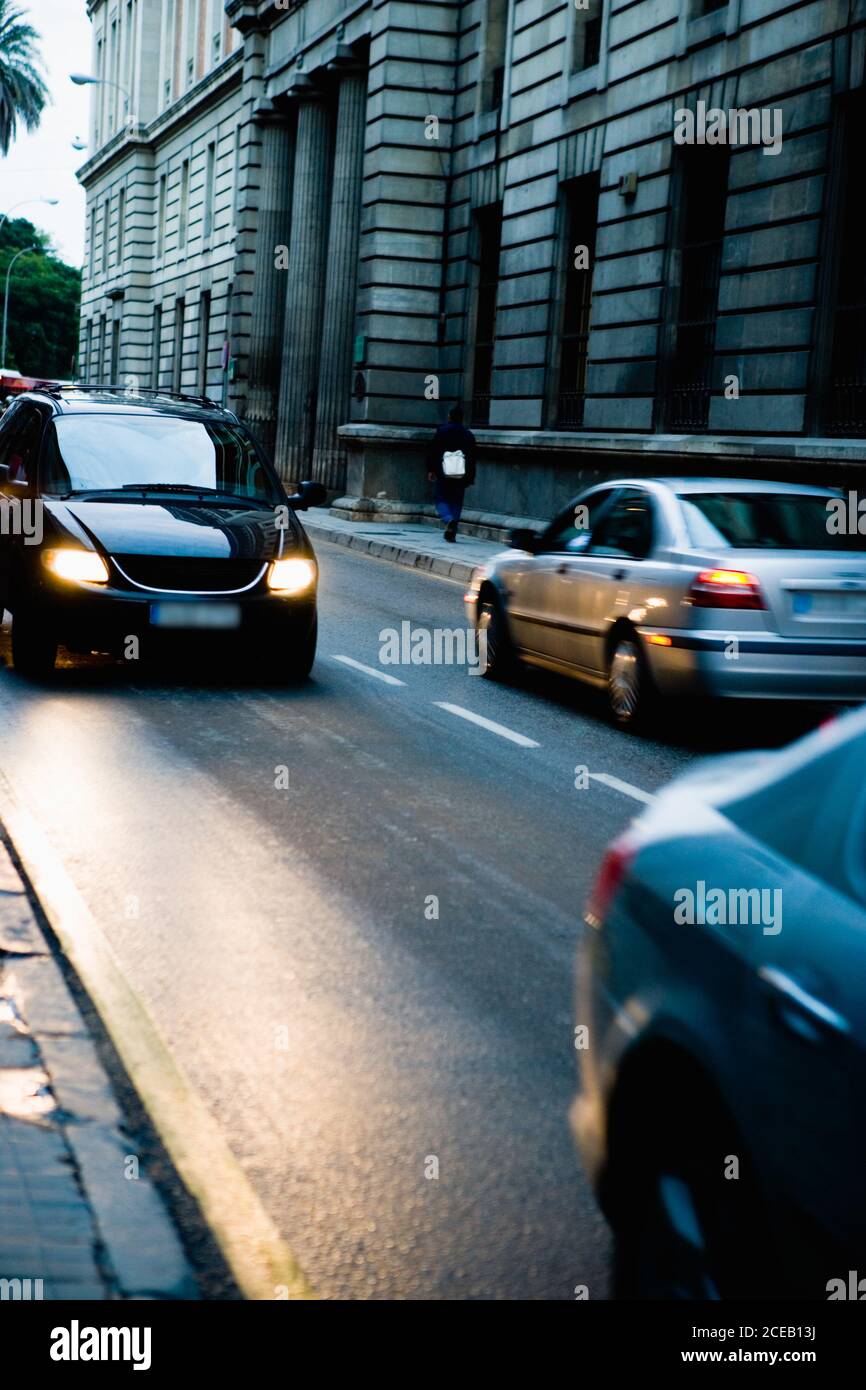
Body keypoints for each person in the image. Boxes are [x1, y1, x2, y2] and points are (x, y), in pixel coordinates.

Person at [427, 404, 477, 542]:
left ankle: (448, 519)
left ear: (449, 417)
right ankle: (453, 524)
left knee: (440, 498)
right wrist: (470, 476)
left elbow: (433, 452)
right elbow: (472, 458)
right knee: (456, 501)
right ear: (462, 418)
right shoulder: (468, 434)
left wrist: (431, 469)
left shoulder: (442, 431)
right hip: (461, 473)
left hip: (443, 472)